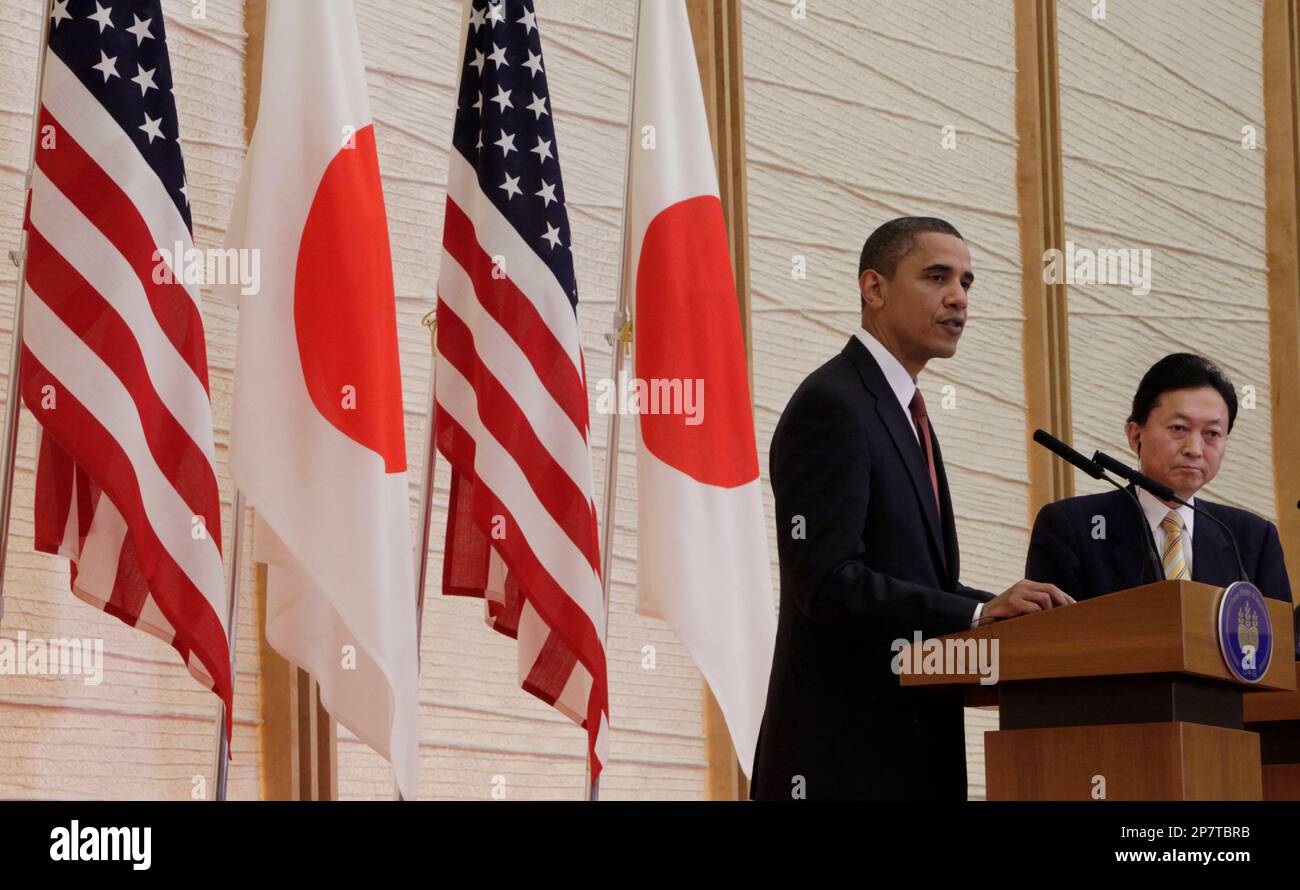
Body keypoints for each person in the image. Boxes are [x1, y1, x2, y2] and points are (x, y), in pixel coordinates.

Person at [751, 217, 1072, 801]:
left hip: (913, 752)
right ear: (873, 288)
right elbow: (826, 583)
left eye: (968, 283)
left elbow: (911, 581)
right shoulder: (834, 403)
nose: (959, 298)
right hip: (844, 764)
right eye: (936, 277)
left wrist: (996, 609)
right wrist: (976, 616)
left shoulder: (901, 409)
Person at [1026, 353, 1292, 605]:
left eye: (1212, 433)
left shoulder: (1252, 538)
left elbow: (1281, 647)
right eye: (1178, 428)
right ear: (1135, 435)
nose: (1195, 449)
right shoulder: (1070, 527)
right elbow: (1049, 641)